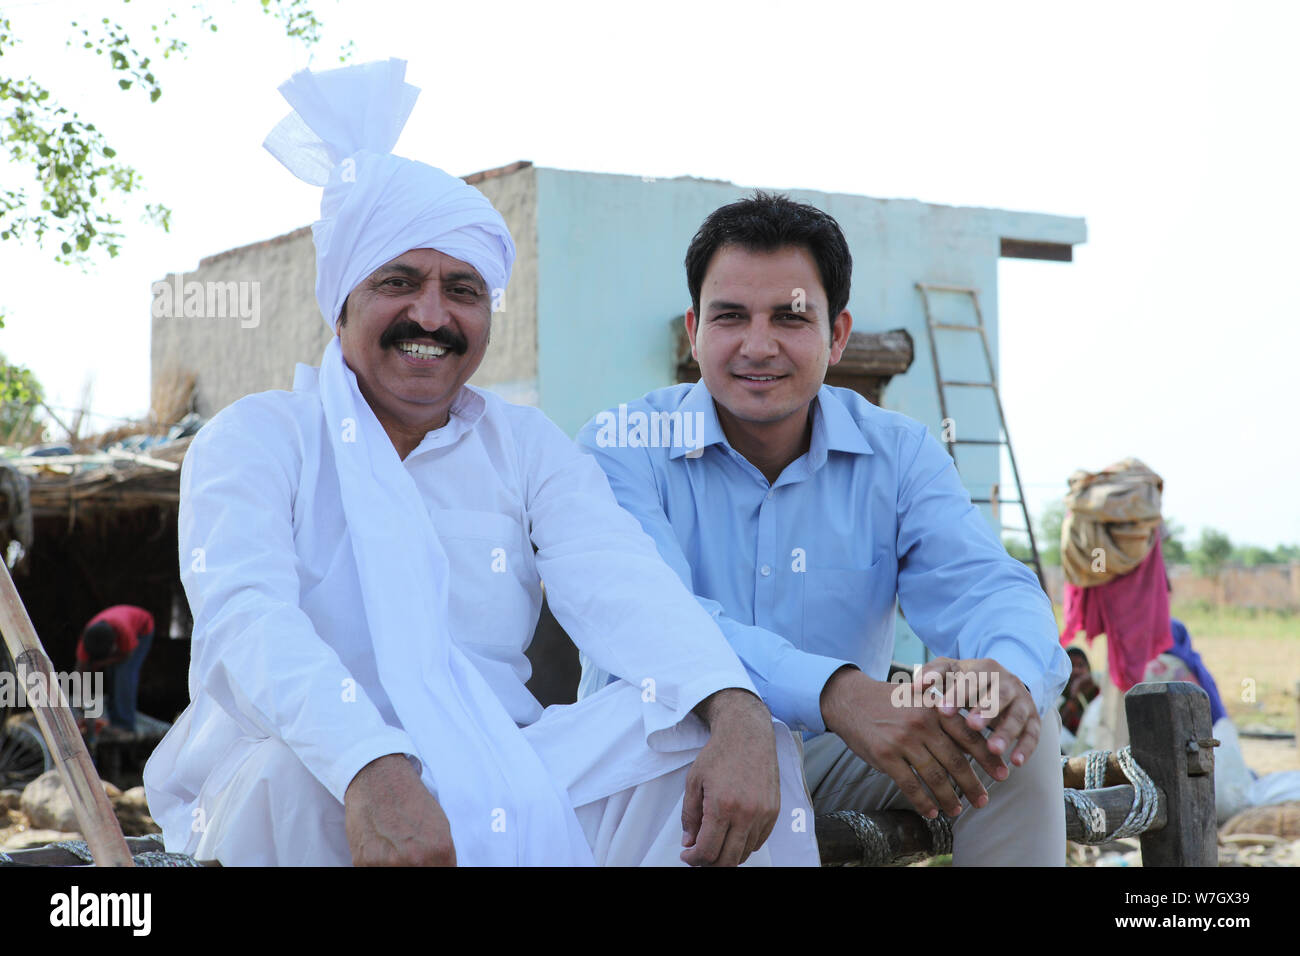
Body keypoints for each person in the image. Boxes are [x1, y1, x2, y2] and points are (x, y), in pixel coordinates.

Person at [142, 60, 817, 868]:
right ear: (342, 301)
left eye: (462, 289)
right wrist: (370, 762)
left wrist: (734, 703)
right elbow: (248, 626)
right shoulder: (256, 439)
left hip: (498, 754)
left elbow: (622, 583)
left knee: (737, 746)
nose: (431, 314)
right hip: (308, 769)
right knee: (290, 778)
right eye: (399, 281)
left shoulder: (523, 445)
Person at [577, 192, 1071, 865]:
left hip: (840, 749)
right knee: (693, 741)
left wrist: (1006, 677)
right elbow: (665, 626)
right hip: (670, 750)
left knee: (1008, 743)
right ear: (695, 330)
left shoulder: (900, 454)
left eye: (790, 316)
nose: (759, 344)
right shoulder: (622, 448)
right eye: (730, 317)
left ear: (837, 336)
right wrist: (838, 693)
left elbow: (984, 585)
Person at [75, 604, 154, 737]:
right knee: (112, 674)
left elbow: (127, 655)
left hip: (142, 630)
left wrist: (101, 663)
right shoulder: (86, 641)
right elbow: (80, 671)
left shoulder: (124, 632)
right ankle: (114, 720)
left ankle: (125, 725)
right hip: (118, 629)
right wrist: (83, 700)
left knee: (124, 675)